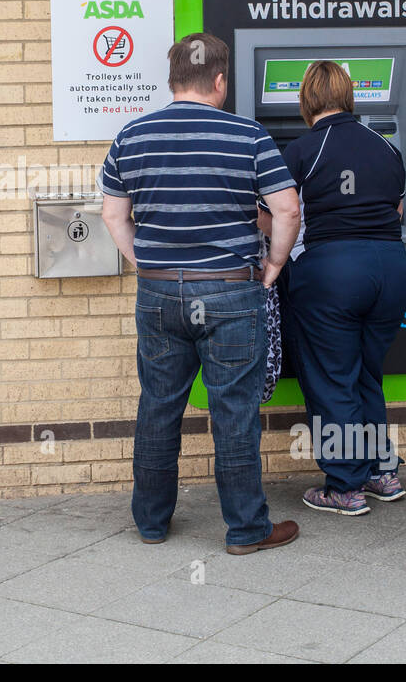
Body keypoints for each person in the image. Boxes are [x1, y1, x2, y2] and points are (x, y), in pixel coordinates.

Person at [98, 32, 302, 554]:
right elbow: (287, 210)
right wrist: (274, 264)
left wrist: (147, 263)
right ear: (218, 80)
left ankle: (150, 521)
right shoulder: (249, 136)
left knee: (159, 406)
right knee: (233, 412)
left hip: (160, 293)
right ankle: (245, 530)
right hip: (232, 292)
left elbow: (113, 215)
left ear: (172, 81)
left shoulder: (131, 136)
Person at [274, 60, 406, 516]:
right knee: (365, 373)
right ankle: (380, 472)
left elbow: (279, 214)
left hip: (334, 273)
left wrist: (276, 258)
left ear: (306, 100)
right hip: (391, 270)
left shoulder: (302, 150)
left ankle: (345, 485)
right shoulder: (387, 147)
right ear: (350, 96)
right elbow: (395, 213)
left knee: (333, 379)